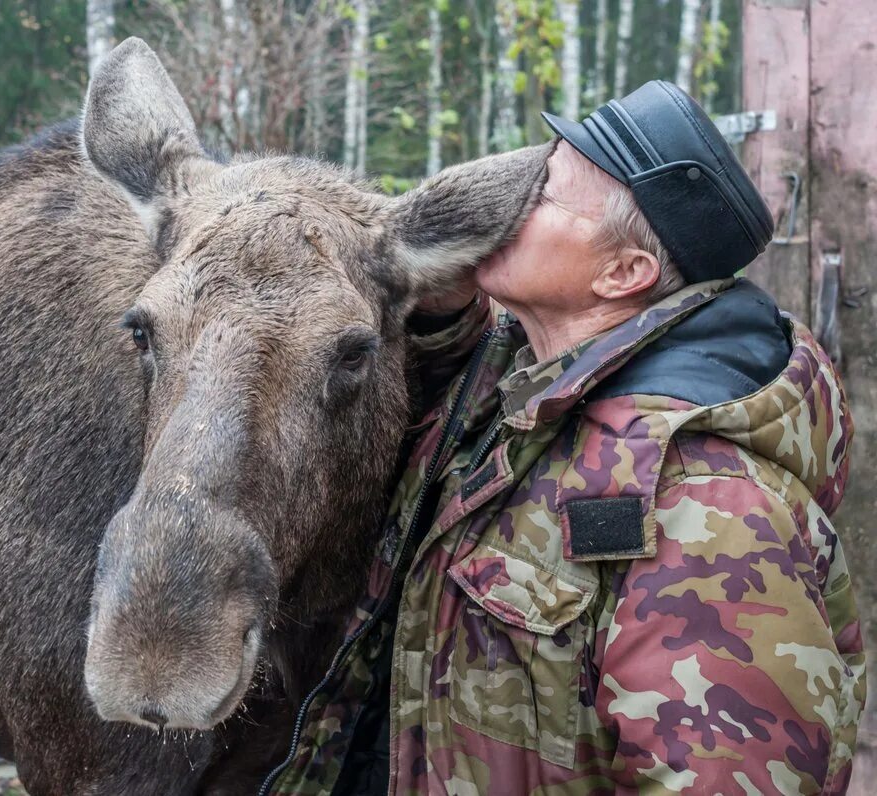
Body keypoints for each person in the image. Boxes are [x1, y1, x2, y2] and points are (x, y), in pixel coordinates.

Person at [263, 81, 866, 794]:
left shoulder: (709, 511)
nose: (505, 203)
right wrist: (431, 314)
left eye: (543, 195)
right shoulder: (515, 390)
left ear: (623, 274)